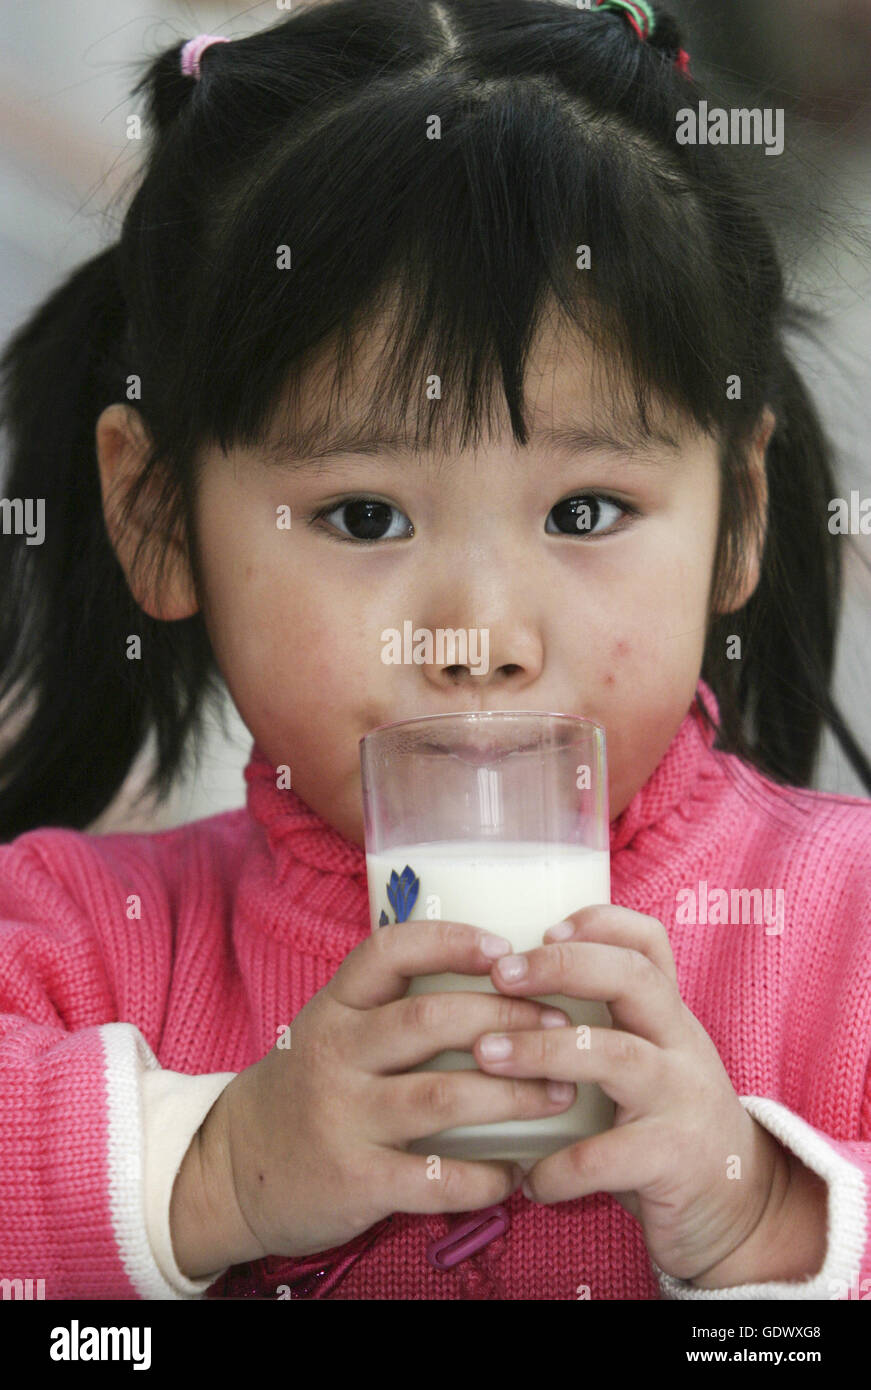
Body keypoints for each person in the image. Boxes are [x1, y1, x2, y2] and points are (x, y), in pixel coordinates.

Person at [0, 0, 869, 1302]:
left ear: (738, 511)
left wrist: (767, 1210)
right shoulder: (86, 945)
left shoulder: (847, 932)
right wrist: (214, 1169)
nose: (478, 638)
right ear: (160, 518)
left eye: (585, 511)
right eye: (364, 515)